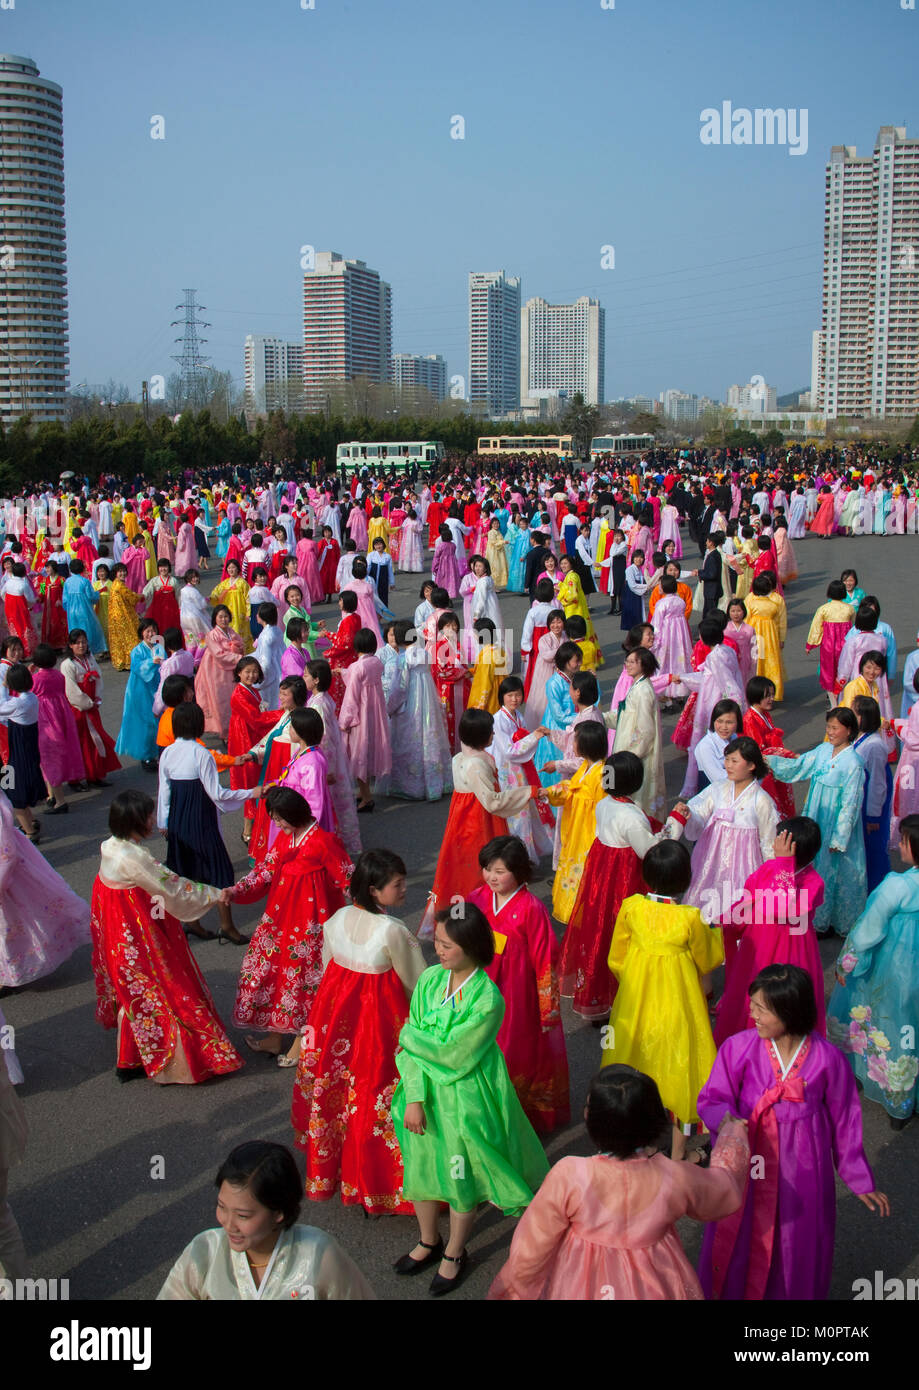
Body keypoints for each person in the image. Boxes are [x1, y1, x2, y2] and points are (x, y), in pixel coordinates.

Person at [698, 964, 888, 1300]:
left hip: (803, 1167)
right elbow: (714, 1096)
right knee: (744, 1230)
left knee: (795, 1237)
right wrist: (726, 1119)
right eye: (752, 1004)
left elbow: (845, 1119)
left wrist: (858, 1179)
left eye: (761, 1009)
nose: (752, 1014)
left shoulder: (828, 1059)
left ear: (790, 1012)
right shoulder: (738, 1047)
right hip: (751, 1157)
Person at [391, 902, 551, 1295]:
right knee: (422, 1170)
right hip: (420, 1096)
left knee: (459, 1175)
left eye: (446, 945)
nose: (438, 950)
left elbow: (453, 1057)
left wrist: (410, 1036)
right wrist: (414, 1096)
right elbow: (417, 1049)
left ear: (472, 946)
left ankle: (455, 1250)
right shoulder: (430, 979)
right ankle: (429, 1239)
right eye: (438, 942)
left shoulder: (487, 999)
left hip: (464, 1098)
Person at [488, 1065, 748, 1301]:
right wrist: (733, 1134)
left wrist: (513, 1290)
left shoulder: (570, 1174)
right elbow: (723, 1191)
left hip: (579, 1283)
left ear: (593, 1121)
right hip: (658, 1282)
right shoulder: (674, 1175)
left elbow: (531, 1248)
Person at [291, 849, 425, 1212]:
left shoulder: (335, 920)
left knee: (341, 1098)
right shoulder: (392, 930)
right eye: (397, 885)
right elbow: (418, 984)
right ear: (374, 890)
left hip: (335, 1026)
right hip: (378, 1030)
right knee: (376, 1099)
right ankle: (381, 1182)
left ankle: (342, 1173)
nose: (404, 890)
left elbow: (327, 970)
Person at [89, 790, 244, 1084]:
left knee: (133, 990)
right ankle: (183, 1061)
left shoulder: (110, 846)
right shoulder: (134, 857)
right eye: (148, 815)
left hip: (117, 927)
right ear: (136, 821)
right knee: (165, 983)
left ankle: (131, 1056)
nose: (152, 819)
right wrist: (214, 893)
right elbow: (172, 888)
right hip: (137, 931)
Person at [600, 841, 723, 1160]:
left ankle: (630, 1139)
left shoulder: (632, 907)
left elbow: (616, 958)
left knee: (634, 1056)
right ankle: (680, 1153)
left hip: (637, 997)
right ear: (686, 878)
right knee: (680, 1065)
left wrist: (633, 981)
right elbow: (708, 958)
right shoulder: (689, 917)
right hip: (678, 1001)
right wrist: (716, 932)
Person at [224, 786, 351, 1066]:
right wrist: (236, 890)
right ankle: (273, 1037)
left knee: (303, 982)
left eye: (280, 819)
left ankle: (299, 1043)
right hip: (280, 920)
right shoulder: (286, 839)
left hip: (310, 926)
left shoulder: (324, 842)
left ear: (294, 813)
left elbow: (346, 879)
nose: (278, 825)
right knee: (273, 974)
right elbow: (264, 872)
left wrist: (366, 913)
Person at [157, 1140, 375, 1300]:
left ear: (278, 1212)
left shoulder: (319, 1254)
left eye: (243, 1215)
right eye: (222, 1207)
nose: (228, 1224)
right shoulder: (205, 1251)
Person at [467, 836, 570, 1133]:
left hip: (518, 992)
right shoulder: (477, 898)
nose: (492, 877)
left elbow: (545, 958)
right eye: (488, 869)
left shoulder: (530, 908)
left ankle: (519, 1118)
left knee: (516, 1049)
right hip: (482, 985)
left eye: (500, 872)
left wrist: (547, 1006)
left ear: (519, 872)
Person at [829, 813, 919, 1128]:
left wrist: (847, 962)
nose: (901, 845)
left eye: (904, 840)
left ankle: (899, 1098)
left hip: (900, 966)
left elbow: (869, 929)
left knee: (894, 1022)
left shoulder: (898, 885)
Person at [419, 708, 539, 936]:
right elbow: (492, 801)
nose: (493, 736)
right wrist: (528, 792)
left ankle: (463, 918)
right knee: (479, 869)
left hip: (462, 821)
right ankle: (482, 921)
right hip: (478, 823)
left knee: (462, 868)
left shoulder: (460, 759)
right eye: (490, 732)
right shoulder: (477, 765)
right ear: (481, 736)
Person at [714, 819, 826, 1045]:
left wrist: (785, 865)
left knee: (782, 995)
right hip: (759, 939)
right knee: (754, 993)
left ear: (788, 847)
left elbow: (784, 908)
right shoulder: (769, 869)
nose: (774, 843)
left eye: (779, 839)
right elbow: (749, 898)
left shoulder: (813, 882)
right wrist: (730, 919)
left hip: (791, 948)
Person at [765, 707, 867, 938]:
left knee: (838, 869)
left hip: (836, 818)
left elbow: (851, 802)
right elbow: (800, 766)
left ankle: (833, 920)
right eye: (828, 727)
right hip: (817, 813)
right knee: (816, 865)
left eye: (834, 728)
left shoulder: (854, 762)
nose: (830, 732)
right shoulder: (823, 750)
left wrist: (840, 837)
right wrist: (769, 761)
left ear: (848, 730)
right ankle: (816, 915)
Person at [157, 702, 253, 945]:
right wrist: (250, 793)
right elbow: (217, 793)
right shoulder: (202, 754)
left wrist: (163, 822)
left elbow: (164, 792)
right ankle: (227, 926)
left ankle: (192, 922)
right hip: (201, 818)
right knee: (220, 869)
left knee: (187, 870)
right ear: (199, 725)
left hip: (178, 820)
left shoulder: (168, 752)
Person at [0, 785, 91, 990]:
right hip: (11, 865)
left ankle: (12, 970)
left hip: (8, 872)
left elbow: (6, 852)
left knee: (11, 923)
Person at [544, 721, 609, 923]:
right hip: (577, 829)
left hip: (588, 832)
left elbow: (607, 808)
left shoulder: (602, 773)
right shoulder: (585, 767)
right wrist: (548, 792)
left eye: (575, 740)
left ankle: (583, 913)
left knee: (583, 872)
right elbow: (571, 789)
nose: (572, 745)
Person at [338, 626, 391, 812]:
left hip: (360, 714)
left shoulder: (357, 667)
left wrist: (345, 721)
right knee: (369, 751)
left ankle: (367, 797)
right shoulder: (376, 662)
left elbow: (352, 695)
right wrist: (345, 672)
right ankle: (363, 792)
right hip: (375, 713)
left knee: (359, 754)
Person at [610, 646, 666, 821]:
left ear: (644, 664)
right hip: (630, 752)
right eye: (627, 661)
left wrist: (631, 757)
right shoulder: (638, 686)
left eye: (633, 662)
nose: (628, 664)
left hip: (636, 756)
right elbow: (625, 716)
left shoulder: (643, 691)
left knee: (637, 801)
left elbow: (645, 731)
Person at [60, 628, 121, 786]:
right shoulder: (67, 664)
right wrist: (87, 703)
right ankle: (75, 780)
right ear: (71, 645)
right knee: (80, 744)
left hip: (91, 706)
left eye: (84, 642)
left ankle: (94, 775)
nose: (81, 645)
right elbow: (71, 689)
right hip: (78, 709)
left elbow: (98, 677)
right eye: (78, 642)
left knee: (95, 741)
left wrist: (97, 698)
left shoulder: (90, 659)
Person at [850, 694, 892, 894]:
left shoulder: (874, 745)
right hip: (863, 801)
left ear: (864, 717)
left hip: (871, 805)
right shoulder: (861, 739)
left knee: (873, 850)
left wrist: (874, 815)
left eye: (854, 712)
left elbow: (877, 784)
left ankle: (878, 890)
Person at [114, 620, 165, 772]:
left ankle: (158, 752)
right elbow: (137, 668)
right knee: (145, 723)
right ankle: (146, 756)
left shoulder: (159, 647)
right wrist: (151, 662)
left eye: (153, 631)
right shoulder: (136, 651)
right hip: (140, 691)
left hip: (156, 687)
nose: (150, 634)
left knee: (158, 721)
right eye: (147, 631)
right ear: (142, 633)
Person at [197, 604, 246, 742]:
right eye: (220, 617)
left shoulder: (231, 632)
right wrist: (238, 658)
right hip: (216, 671)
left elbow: (241, 644)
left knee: (234, 699)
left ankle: (235, 728)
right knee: (221, 701)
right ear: (215, 619)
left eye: (226, 616)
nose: (224, 619)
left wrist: (238, 650)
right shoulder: (211, 635)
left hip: (231, 669)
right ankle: (225, 733)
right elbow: (219, 654)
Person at [806, 580, 853, 702]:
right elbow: (854, 627)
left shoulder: (823, 609)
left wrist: (810, 645)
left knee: (829, 672)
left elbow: (816, 628)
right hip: (845, 645)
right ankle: (843, 697)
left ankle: (833, 701)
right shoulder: (850, 609)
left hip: (828, 645)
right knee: (844, 670)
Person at [746, 572, 787, 701]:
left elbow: (782, 621)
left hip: (761, 635)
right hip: (767, 635)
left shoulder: (776, 599)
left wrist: (782, 638)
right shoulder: (752, 598)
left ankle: (765, 691)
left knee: (761, 660)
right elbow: (782, 621)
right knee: (763, 661)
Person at [107, 563, 143, 670]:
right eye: (120, 571)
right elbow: (132, 597)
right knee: (130, 637)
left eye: (124, 571)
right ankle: (130, 661)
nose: (123, 573)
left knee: (119, 639)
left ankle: (121, 661)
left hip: (115, 617)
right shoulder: (120, 586)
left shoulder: (115, 584)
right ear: (115, 573)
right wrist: (140, 596)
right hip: (123, 616)